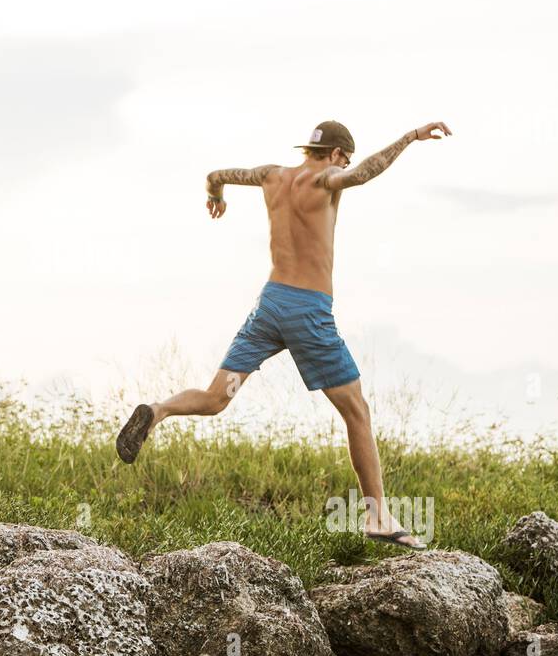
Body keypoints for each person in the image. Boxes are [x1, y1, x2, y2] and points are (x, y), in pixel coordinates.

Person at [115, 119, 454, 549]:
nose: (344, 166)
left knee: (216, 397)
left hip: (269, 307)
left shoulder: (270, 175)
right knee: (357, 412)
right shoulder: (329, 178)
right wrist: (410, 138)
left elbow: (216, 176)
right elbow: (364, 173)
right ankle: (378, 516)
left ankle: (158, 410)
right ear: (335, 155)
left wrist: (214, 196)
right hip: (308, 313)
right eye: (343, 158)